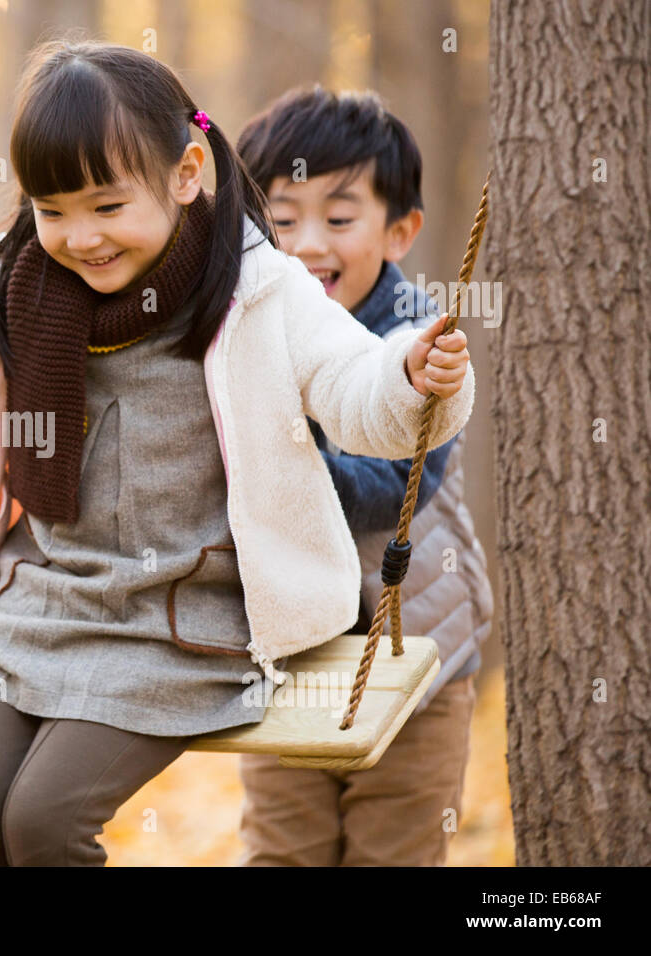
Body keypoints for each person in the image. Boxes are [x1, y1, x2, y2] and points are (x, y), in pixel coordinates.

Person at [0, 40, 476, 866]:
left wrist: (408, 374)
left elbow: (352, 388)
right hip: (46, 600)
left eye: (106, 207)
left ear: (185, 174)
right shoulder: (19, 280)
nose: (79, 237)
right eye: (53, 210)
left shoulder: (257, 289)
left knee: (41, 824)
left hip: (184, 622)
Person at [232, 84, 494, 866]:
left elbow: (386, 487)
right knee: (283, 847)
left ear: (401, 229)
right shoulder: (244, 339)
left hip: (415, 655)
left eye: (340, 218)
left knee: (396, 850)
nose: (309, 244)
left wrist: (275, 468)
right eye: (281, 220)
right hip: (295, 661)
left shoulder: (420, 345)